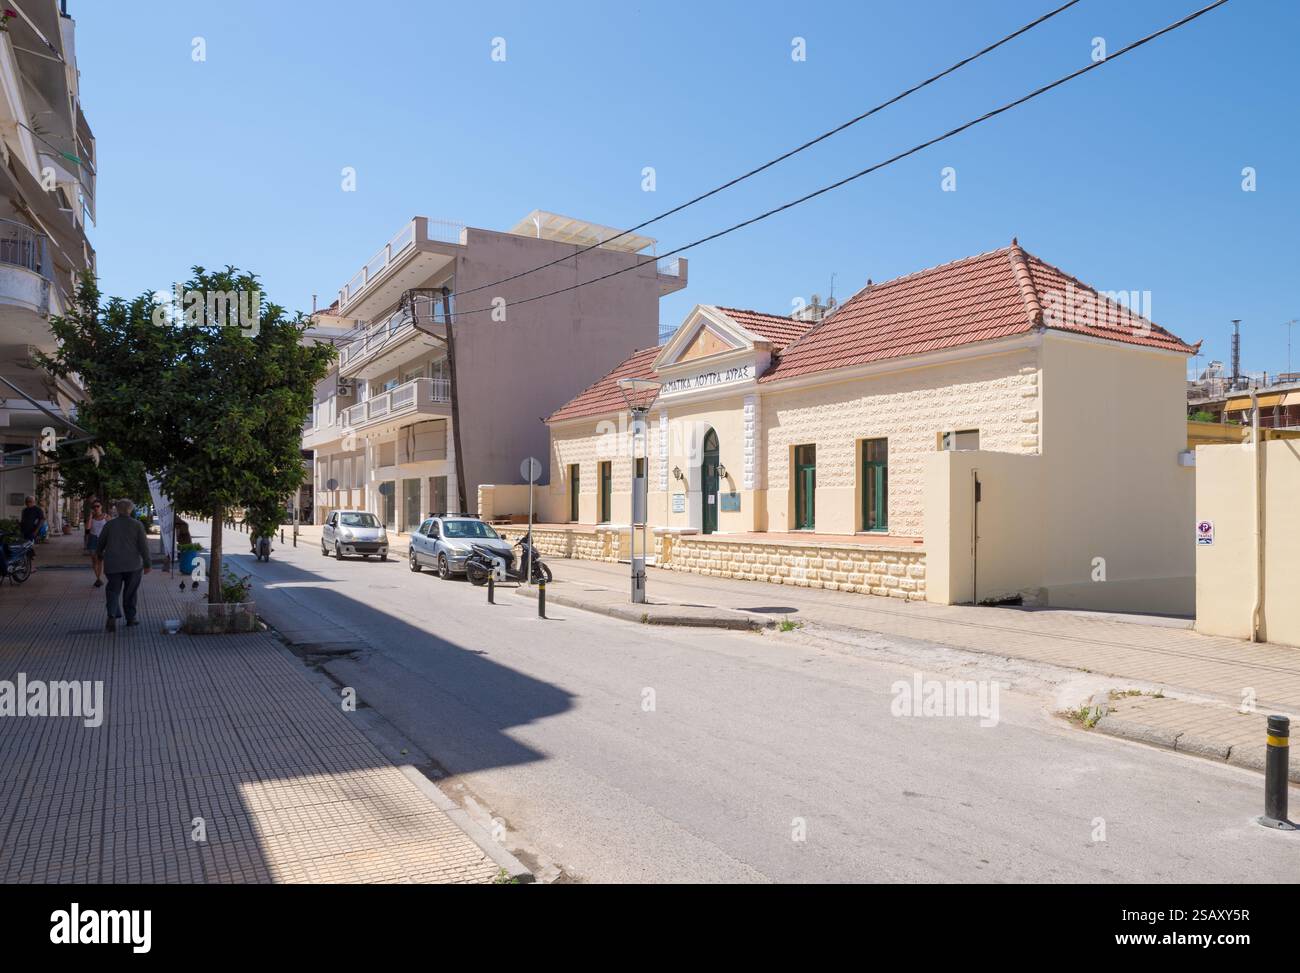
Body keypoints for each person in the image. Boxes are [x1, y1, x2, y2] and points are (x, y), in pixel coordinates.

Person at [95, 499, 152, 632]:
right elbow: (144, 546)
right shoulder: (137, 525)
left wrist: (99, 555)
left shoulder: (109, 525)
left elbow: (101, 542)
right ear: (130, 510)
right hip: (133, 565)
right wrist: (147, 563)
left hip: (113, 564)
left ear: (117, 510)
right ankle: (131, 619)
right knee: (130, 592)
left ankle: (112, 615)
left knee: (113, 591)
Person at [84, 499, 110, 587]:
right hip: (93, 539)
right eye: (94, 507)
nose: (96, 508)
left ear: (101, 507)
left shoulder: (106, 516)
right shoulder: (92, 518)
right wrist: (91, 516)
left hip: (102, 540)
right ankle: (98, 578)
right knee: (94, 560)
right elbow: (87, 528)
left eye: (98, 506)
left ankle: (99, 578)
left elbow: (111, 528)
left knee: (100, 560)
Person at [19, 496, 44, 570]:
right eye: (26, 501)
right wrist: (19, 524)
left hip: (32, 532)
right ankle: (27, 566)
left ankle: (31, 567)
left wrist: (36, 531)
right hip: (24, 532)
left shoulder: (37, 509)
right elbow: (23, 521)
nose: (28, 503)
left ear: (33, 502)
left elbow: (42, 520)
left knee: (28, 548)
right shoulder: (24, 510)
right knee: (25, 549)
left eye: (30, 501)